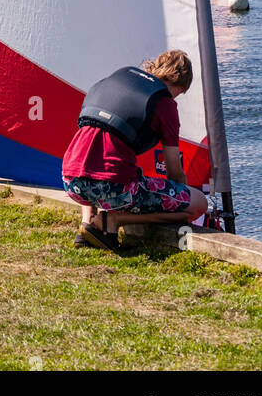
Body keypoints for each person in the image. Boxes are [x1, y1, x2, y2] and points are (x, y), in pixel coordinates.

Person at [61, 50, 209, 253]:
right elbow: (174, 170)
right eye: (180, 93)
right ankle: (112, 219)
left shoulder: (110, 82)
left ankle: (87, 224)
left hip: (71, 181)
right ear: (181, 86)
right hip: (114, 189)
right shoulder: (164, 104)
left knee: (92, 164)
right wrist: (181, 198)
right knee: (199, 202)